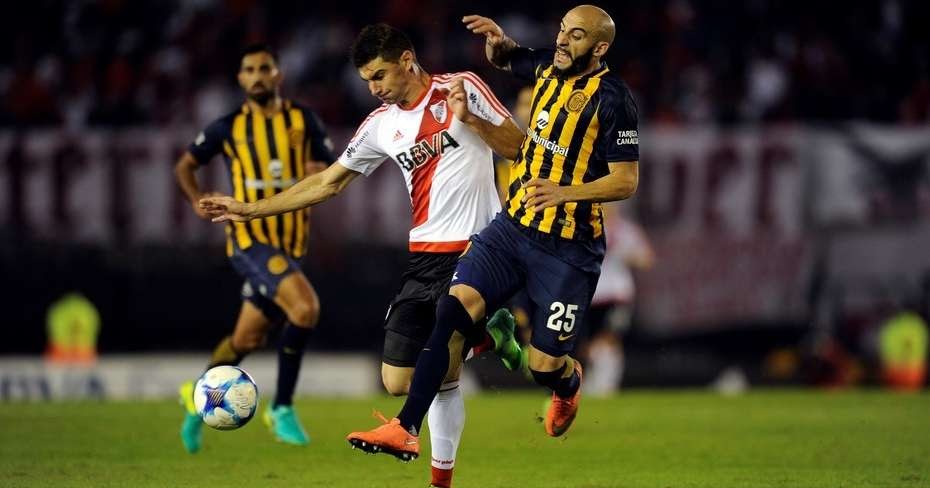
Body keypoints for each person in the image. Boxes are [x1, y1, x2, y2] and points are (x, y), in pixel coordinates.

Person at [200, 24, 524, 488]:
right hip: (424, 255)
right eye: (367, 81)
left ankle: (439, 479)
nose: (373, 89)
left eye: (379, 76)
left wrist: (471, 120)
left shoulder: (462, 87)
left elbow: (518, 148)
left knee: (443, 357)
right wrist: (252, 210)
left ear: (408, 60)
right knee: (399, 379)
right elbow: (328, 182)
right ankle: (488, 337)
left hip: (479, 248)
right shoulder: (379, 124)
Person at [344, 4, 640, 462]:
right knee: (451, 308)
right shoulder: (547, 64)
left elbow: (625, 181)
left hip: (568, 246)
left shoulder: (614, 98)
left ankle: (567, 381)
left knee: (542, 365)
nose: (562, 40)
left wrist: (565, 192)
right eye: (561, 30)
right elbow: (511, 59)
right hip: (512, 227)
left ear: (599, 47)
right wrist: (499, 45)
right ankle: (406, 428)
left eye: (576, 35)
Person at [173, 43, 334, 453]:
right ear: (241, 79)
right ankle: (281, 408)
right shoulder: (227, 128)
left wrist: (317, 173)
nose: (258, 75)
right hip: (249, 241)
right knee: (306, 308)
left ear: (278, 74)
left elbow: (328, 173)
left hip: (291, 244)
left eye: (265, 67)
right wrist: (194, 198)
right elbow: (185, 165)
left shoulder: (304, 121)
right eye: (249, 69)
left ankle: (196, 402)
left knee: (244, 341)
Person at [583, 203, 653, 395]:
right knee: (588, 344)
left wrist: (626, 254)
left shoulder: (627, 231)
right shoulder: (587, 228)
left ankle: (606, 385)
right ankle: (594, 380)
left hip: (617, 295)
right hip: (591, 295)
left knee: (609, 338)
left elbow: (646, 258)